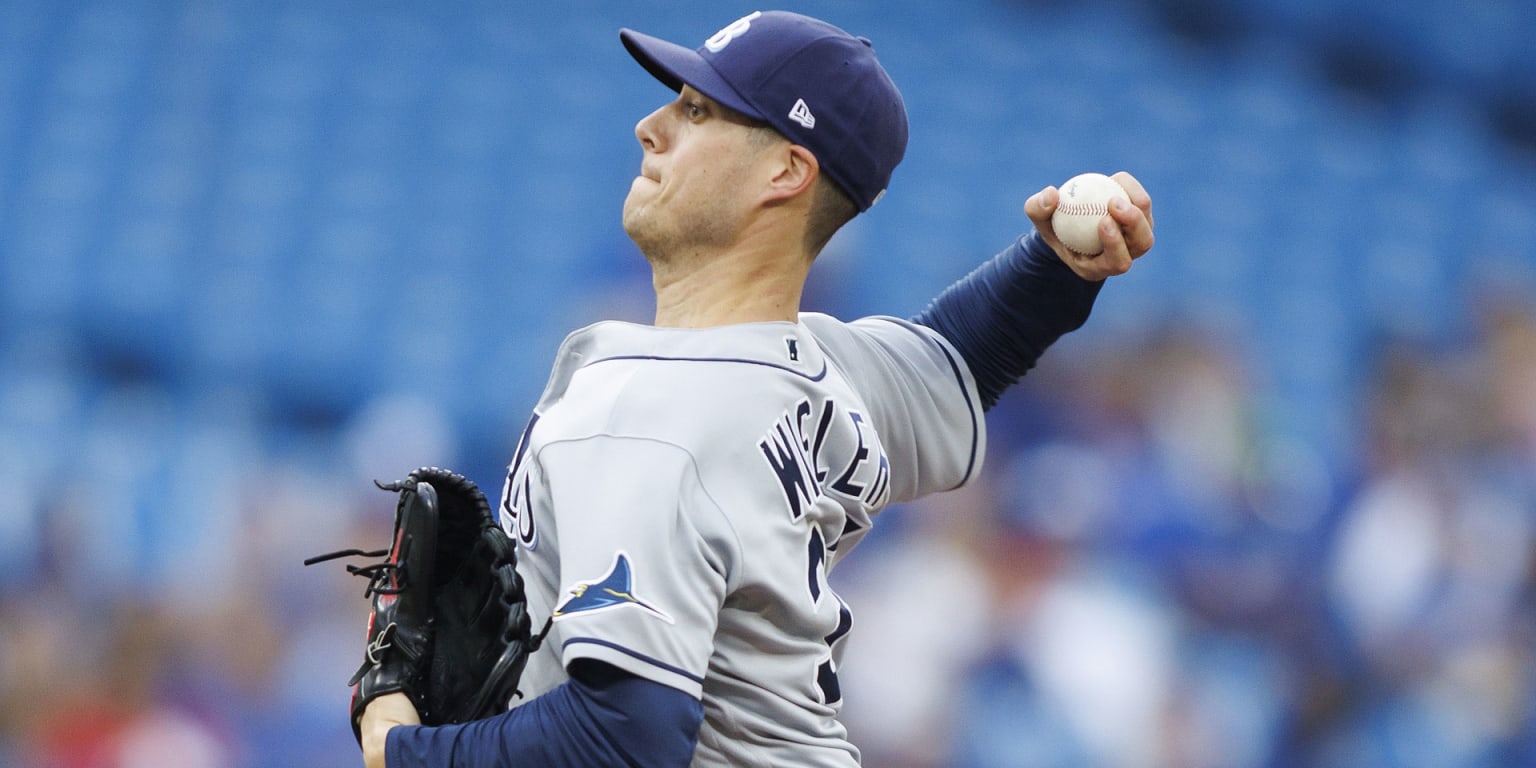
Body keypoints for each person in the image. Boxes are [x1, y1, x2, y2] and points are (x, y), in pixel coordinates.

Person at [358, 9, 1154, 767]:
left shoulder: (649, 414)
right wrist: (1057, 269)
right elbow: (957, 360)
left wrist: (399, 750)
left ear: (786, 171)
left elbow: (625, 737)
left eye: (698, 111)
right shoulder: (812, 372)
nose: (651, 126)